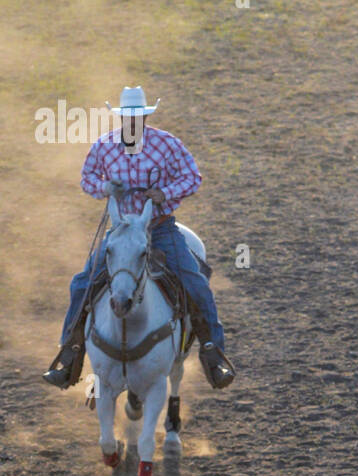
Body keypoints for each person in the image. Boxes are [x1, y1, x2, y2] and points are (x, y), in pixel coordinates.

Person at [43, 86, 236, 391]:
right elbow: (87, 179)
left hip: (159, 229)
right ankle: (69, 353)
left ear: (145, 117)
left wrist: (165, 193)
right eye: (128, 118)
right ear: (121, 118)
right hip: (121, 233)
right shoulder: (105, 146)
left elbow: (192, 177)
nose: (132, 123)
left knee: (196, 283)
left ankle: (214, 353)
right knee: (82, 283)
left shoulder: (167, 144)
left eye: (138, 117)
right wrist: (106, 188)